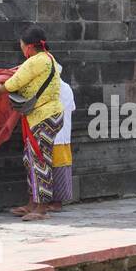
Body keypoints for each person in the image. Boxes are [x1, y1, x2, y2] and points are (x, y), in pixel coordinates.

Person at [0, 25, 63, 221]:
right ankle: (32, 203)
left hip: (43, 116)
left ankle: (42, 208)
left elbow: (15, 82)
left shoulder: (35, 61)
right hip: (45, 115)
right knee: (31, 159)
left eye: (21, 45)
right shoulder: (49, 59)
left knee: (39, 160)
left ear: (28, 47)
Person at [50, 59, 77, 210]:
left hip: (55, 134)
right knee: (61, 165)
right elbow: (72, 108)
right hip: (63, 133)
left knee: (57, 166)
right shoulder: (66, 87)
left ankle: (56, 202)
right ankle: (55, 201)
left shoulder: (56, 89)